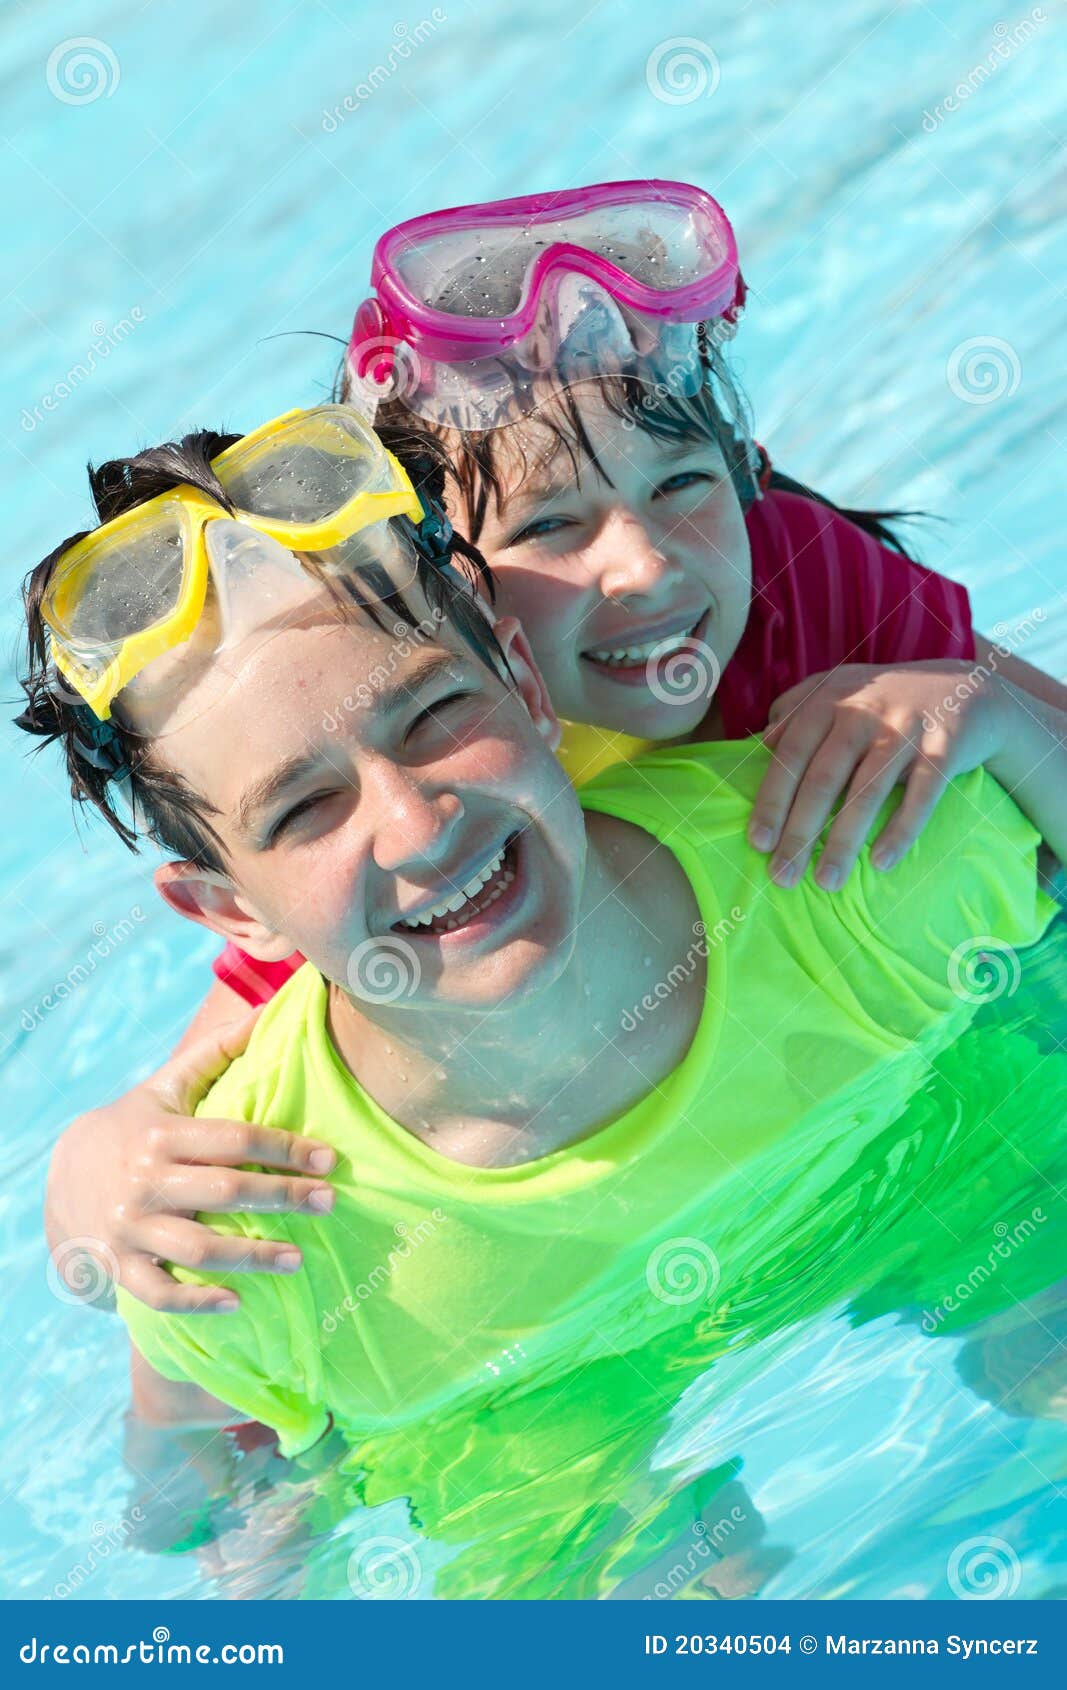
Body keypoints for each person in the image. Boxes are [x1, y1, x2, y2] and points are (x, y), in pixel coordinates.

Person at [42, 181, 1067, 1310]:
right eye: (548, 526)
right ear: (448, 594)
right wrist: (99, 1155)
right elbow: (249, 1005)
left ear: (744, 474)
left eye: (681, 484)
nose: (644, 566)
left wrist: (986, 708)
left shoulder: (798, 582)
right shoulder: (420, 775)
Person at [16, 403, 1058, 1451]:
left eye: (430, 716)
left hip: (954, 1202)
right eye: (303, 810)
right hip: (538, 1431)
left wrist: (1003, 722)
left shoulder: (862, 859)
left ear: (523, 679)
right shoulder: (246, 1229)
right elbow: (194, 1481)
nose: (418, 827)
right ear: (233, 908)